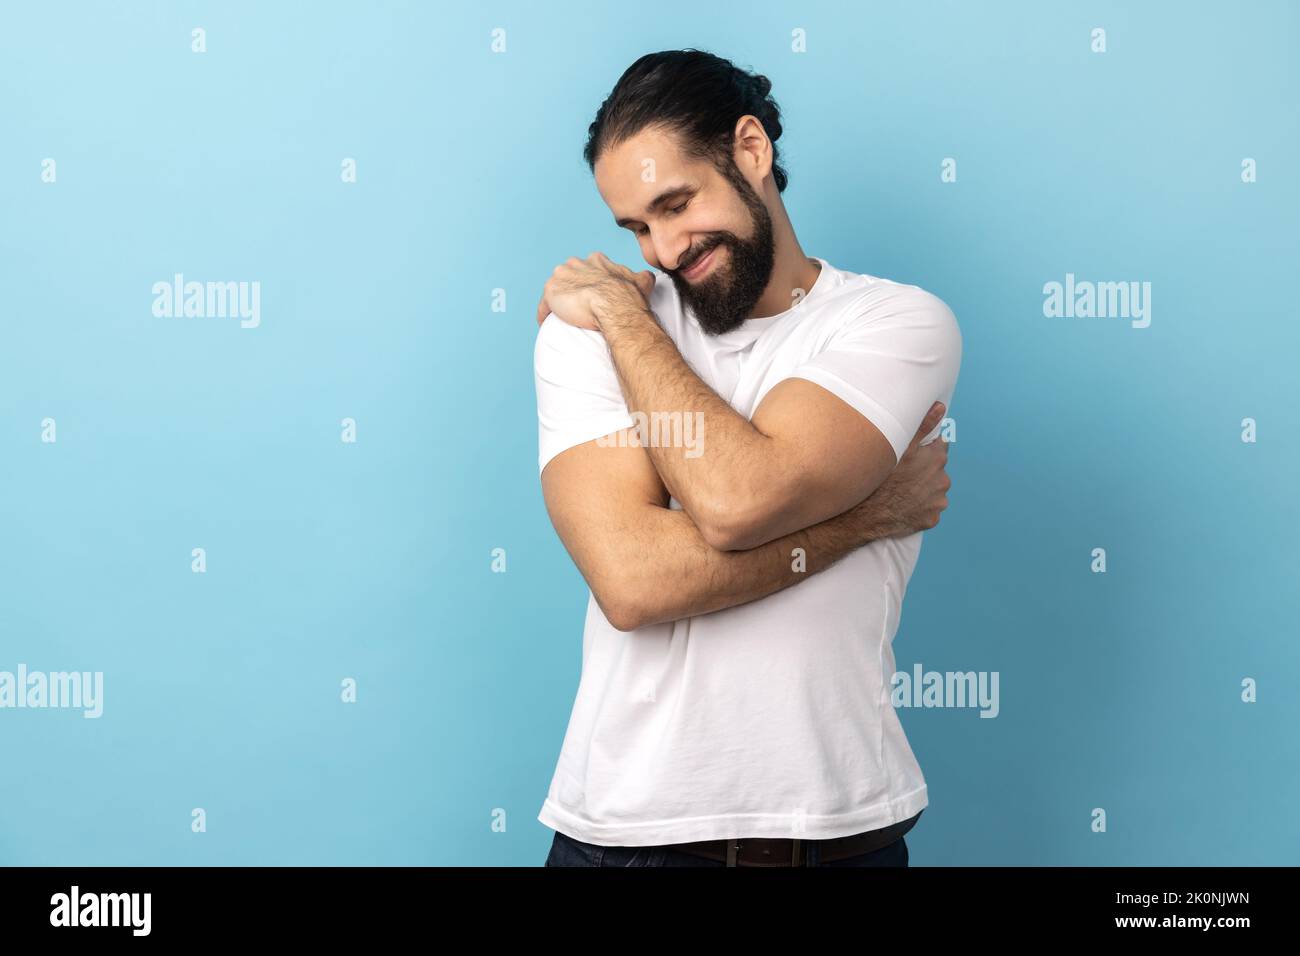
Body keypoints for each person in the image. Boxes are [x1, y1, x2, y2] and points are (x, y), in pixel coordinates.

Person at [533, 49, 962, 867]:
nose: (661, 249)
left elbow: (738, 497)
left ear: (752, 151)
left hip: (844, 838)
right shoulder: (593, 324)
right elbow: (632, 582)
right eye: (635, 228)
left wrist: (628, 329)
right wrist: (868, 515)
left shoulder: (896, 325)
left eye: (675, 204)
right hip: (626, 845)